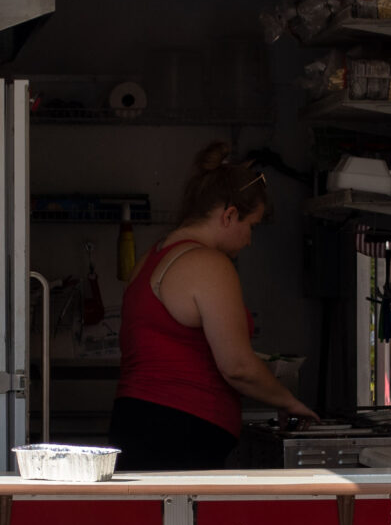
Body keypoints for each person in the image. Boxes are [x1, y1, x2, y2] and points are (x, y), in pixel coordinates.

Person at [110, 143, 318, 470]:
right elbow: (237, 366)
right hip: (180, 429)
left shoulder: (152, 258)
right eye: (251, 226)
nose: (249, 239)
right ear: (229, 215)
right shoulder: (208, 264)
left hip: (136, 421)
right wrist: (290, 402)